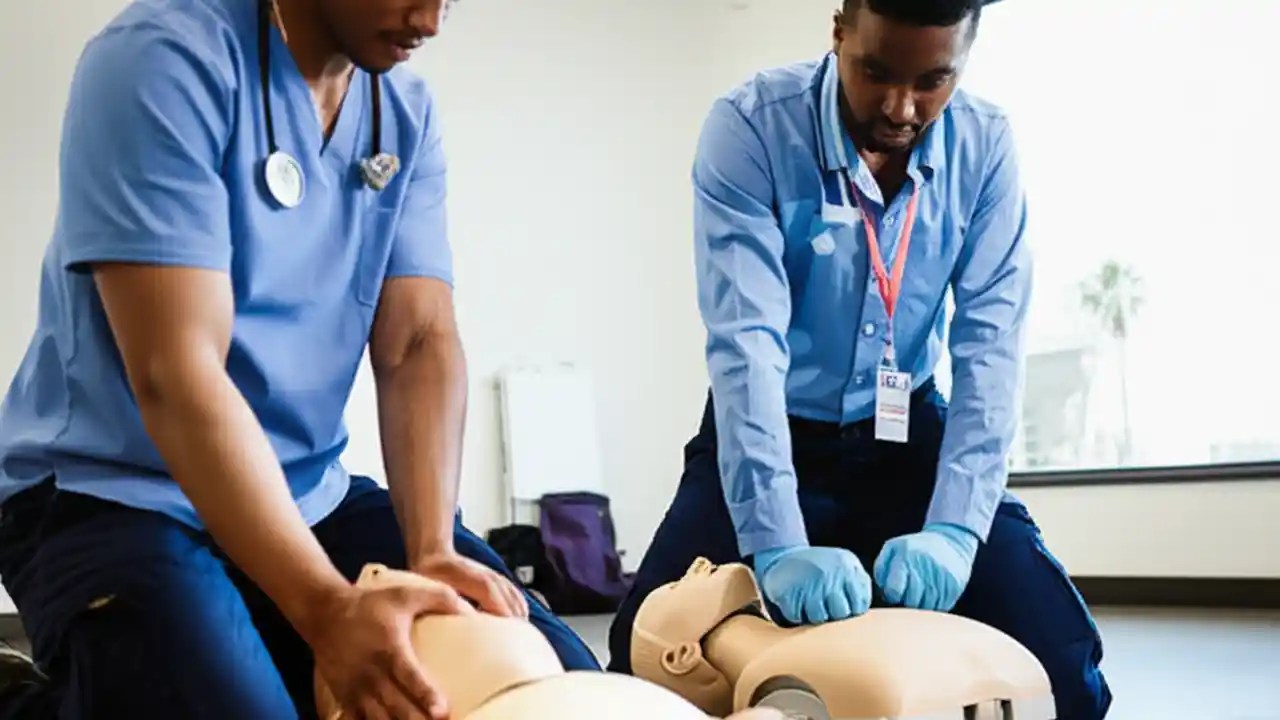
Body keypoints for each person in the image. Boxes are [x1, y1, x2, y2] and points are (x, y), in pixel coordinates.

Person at [0, 0, 599, 717]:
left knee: (550, 676)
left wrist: (432, 546)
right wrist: (324, 607)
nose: (431, 21)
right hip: (109, 493)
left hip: (305, 490)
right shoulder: (158, 61)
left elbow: (416, 344)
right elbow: (177, 372)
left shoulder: (400, 106)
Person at [606, 1, 1111, 719]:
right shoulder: (751, 127)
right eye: (876, 73)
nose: (902, 108)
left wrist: (956, 531)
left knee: (1062, 660)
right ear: (839, 29)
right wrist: (776, 543)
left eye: (933, 81)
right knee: (638, 653)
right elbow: (746, 348)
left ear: (964, 59)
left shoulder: (986, 145)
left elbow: (990, 353)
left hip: (908, 437)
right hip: (773, 432)